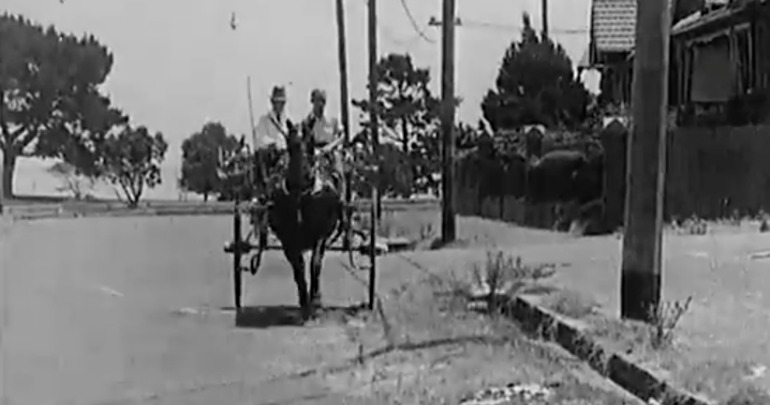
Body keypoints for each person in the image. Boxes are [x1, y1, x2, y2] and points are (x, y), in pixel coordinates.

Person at [251, 85, 293, 197]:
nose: (280, 105)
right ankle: (265, 189)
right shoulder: (264, 120)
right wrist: (273, 144)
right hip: (272, 155)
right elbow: (261, 138)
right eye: (277, 102)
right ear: (272, 103)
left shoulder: (288, 121)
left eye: (282, 102)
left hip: (286, 154)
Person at [302, 88, 346, 193]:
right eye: (317, 101)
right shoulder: (307, 121)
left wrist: (331, 146)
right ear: (312, 102)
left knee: (338, 166)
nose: (320, 104)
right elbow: (304, 141)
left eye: (322, 101)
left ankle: (342, 195)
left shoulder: (332, 119)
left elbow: (342, 136)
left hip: (331, 149)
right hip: (315, 151)